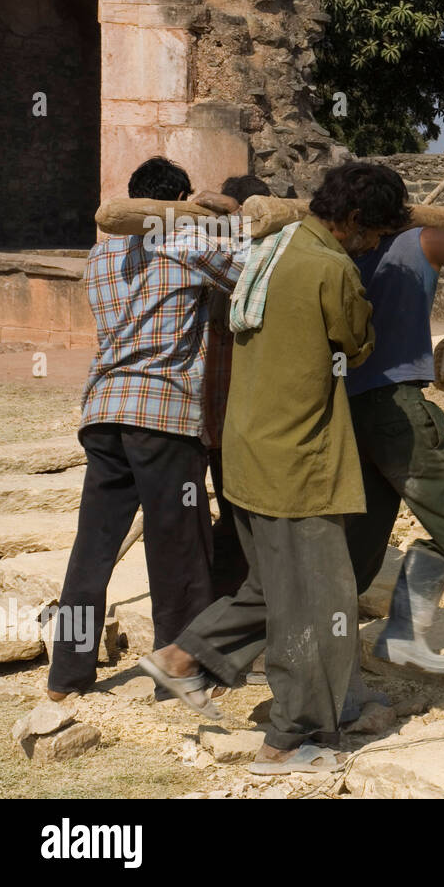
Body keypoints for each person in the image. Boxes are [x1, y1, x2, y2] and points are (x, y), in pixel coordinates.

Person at [141, 162, 410, 775]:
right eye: (372, 235)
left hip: (247, 448)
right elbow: (355, 341)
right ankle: (291, 738)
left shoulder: (269, 248)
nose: (372, 246)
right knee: (319, 599)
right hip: (298, 458)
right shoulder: (329, 267)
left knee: (269, 587)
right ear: (353, 221)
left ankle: (185, 658)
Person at [46, 157, 241, 703]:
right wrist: (222, 215)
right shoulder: (188, 243)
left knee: (92, 549)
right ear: (177, 202)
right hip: (163, 416)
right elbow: (253, 276)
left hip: (104, 412)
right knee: (178, 547)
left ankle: (66, 676)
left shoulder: (101, 253)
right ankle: (179, 674)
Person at [344, 193, 444, 675]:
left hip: (350, 406)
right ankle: (402, 633)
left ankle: (309, 645)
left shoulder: (347, 249)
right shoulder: (427, 239)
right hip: (397, 405)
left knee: (362, 543)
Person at [202, 174, 273, 602]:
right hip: (236, 418)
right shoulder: (244, 262)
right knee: (244, 517)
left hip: (224, 418)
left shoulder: (219, 256)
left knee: (236, 515)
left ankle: (229, 599)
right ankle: (242, 603)